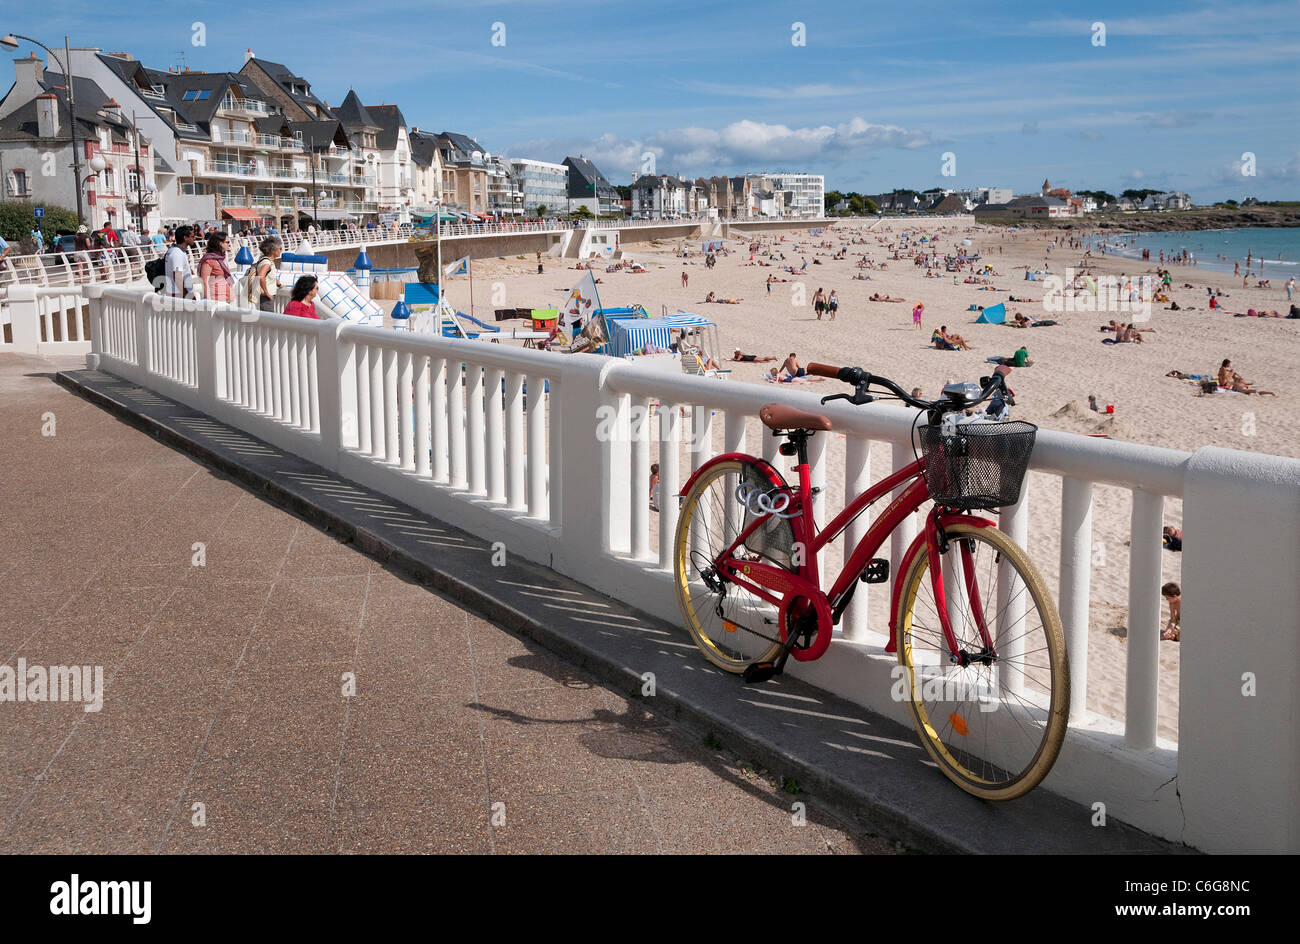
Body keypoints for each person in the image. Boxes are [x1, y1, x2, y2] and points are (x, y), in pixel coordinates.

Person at [198, 232, 234, 302]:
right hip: (217, 299)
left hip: (227, 297)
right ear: (220, 243)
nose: (229, 244)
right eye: (227, 242)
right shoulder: (208, 260)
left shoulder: (221, 258)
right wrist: (209, 302)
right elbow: (205, 282)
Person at [164, 225, 197, 298]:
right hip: (178, 295)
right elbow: (177, 277)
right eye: (192, 236)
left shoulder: (175, 250)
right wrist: (188, 296)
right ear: (185, 238)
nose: (194, 238)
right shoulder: (177, 253)